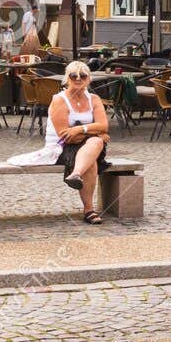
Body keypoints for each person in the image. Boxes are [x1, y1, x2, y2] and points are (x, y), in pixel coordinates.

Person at [46, 62, 111, 224]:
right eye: (73, 75)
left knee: (95, 143)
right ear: (66, 79)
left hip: (88, 146)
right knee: (93, 153)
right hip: (61, 148)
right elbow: (65, 136)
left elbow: (104, 126)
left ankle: (75, 174)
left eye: (83, 75)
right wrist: (94, 131)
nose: (78, 79)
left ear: (89, 79)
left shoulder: (94, 99)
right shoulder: (59, 100)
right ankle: (89, 210)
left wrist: (78, 130)